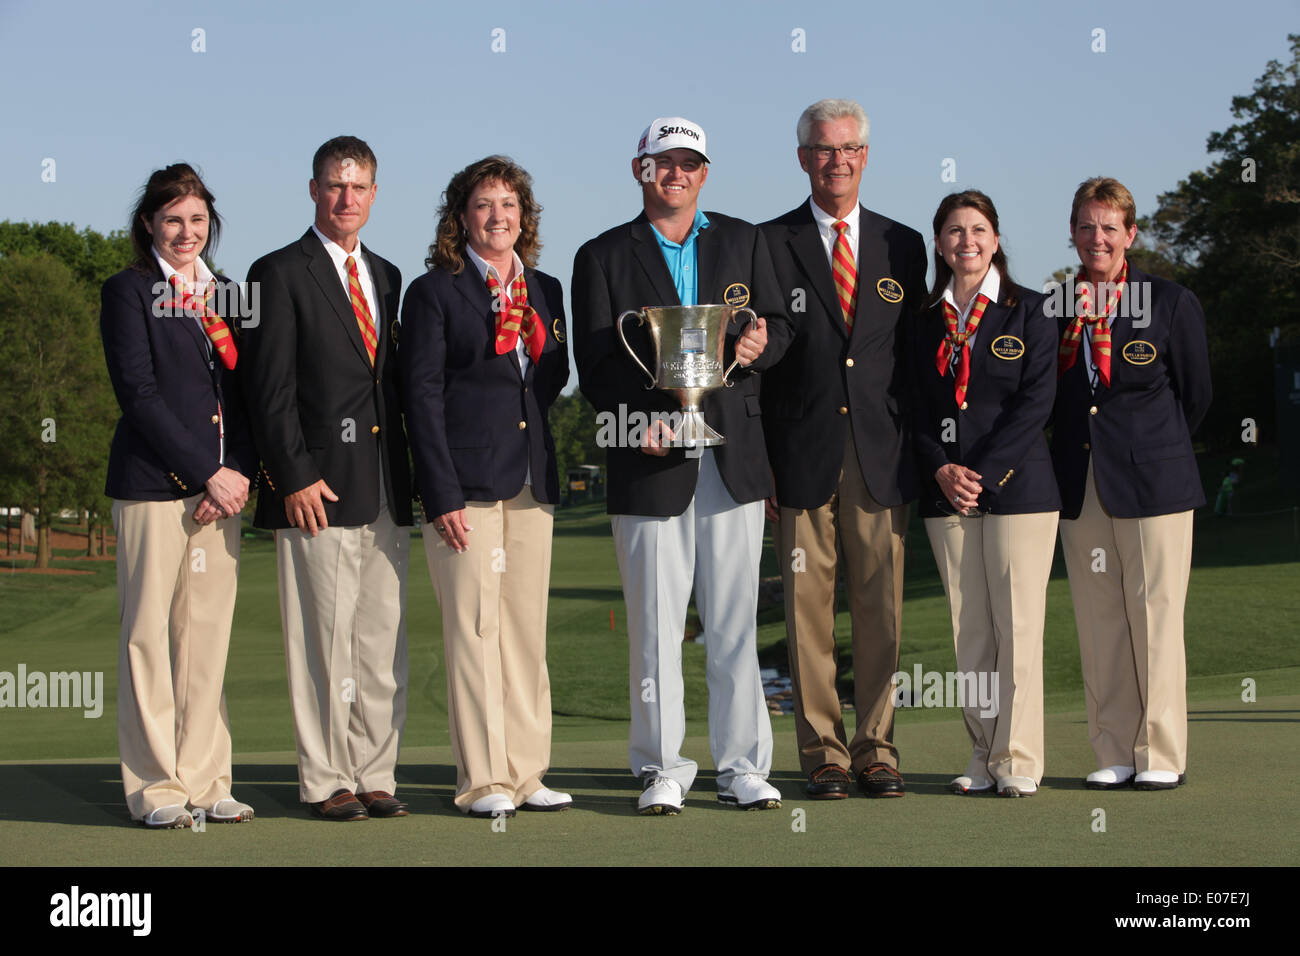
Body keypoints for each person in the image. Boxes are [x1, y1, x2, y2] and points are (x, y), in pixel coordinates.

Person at [572, 117, 789, 814]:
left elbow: (781, 324)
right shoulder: (602, 255)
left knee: (735, 623)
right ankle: (661, 766)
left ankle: (742, 766)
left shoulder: (744, 239)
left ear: (705, 172)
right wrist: (645, 422)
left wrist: (761, 345)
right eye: (663, 162)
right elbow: (599, 364)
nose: (677, 174)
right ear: (640, 169)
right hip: (650, 459)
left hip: (734, 459)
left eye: (689, 163)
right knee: (658, 628)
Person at [758, 99, 926, 798]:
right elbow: (757, 365)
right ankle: (823, 752)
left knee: (881, 610)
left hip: (882, 458)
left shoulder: (904, 244)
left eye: (849, 148)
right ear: (803, 158)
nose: (837, 160)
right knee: (806, 613)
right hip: (799, 455)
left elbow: (916, 360)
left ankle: (877, 748)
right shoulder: (769, 241)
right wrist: (761, 463)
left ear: (865, 156)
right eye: (823, 150)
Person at [242, 136, 413, 821]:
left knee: (379, 645)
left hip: (384, 487)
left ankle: (374, 772)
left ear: (375, 194)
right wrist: (293, 476)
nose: (347, 198)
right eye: (335, 185)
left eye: (360, 186)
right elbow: (267, 389)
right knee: (322, 644)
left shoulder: (391, 276)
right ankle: (325, 779)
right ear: (313, 190)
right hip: (316, 489)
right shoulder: (277, 272)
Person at [400, 156, 571, 818]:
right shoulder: (434, 292)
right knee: (473, 630)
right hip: (463, 486)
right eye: (483, 205)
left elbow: (549, 379)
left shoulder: (546, 288)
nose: (498, 216)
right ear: (460, 218)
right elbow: (422, 395)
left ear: (524, 217)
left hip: (530, 478)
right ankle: (483, 781)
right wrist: (437, 492)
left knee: (524, 632)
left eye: (509, 204)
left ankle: (527, 774)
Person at [101, 163, 257, 828]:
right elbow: (139, 395)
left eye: (197, 220)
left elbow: (246, 398)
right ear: (149, 225)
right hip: (152, 490)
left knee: (205, 640)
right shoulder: (128, 291)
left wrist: (237, 474)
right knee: (149, 640)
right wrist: (204, 471)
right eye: (173, 220)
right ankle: (157, 789)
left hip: (219, 496)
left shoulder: (226, 294)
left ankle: (206, 778)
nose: (186, 232)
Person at [1051, 177, 1211, 791]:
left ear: (1131, 234)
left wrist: (1149, 447)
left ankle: (1161, 754)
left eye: (1109, 227)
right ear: (1072, 233)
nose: (1098, 238)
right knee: (1099, 621)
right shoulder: (1054, 306)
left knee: (1156, 618)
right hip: (1081, 482)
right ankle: (1114, 748)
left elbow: (1195, 397)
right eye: (1086, 226)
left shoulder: (1170, 301)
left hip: (1156, 484)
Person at [912, 190, 1060, 797]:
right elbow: (910, 406)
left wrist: (982, 472)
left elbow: (1036, 403)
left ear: (995, 239)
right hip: (945, 492)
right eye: (953, 231)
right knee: (970, 632)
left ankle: (1018, 759)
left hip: (1019, 489)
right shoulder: (921, 318)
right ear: (940, 244)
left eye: (977, 229)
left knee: (1017, 629)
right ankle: (982, 754)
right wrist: (943, 468)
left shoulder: (1032, 310)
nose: (965, 241)